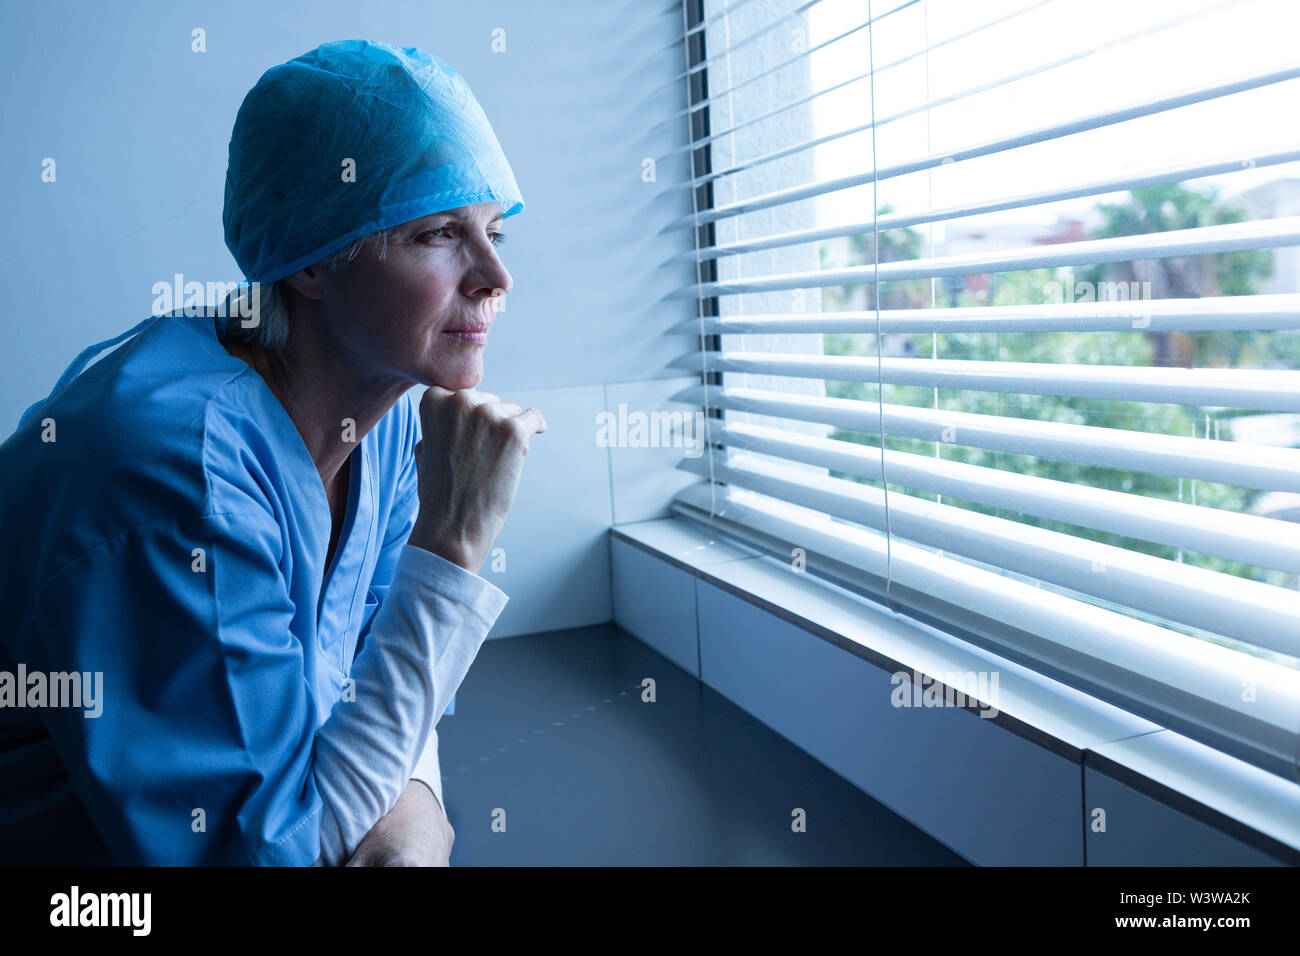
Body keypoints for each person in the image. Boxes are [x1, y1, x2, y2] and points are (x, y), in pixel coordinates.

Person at [0, 40, 544, 866]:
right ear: (316, 261)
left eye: (495, 230)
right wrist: (455, 547)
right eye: (440, 232)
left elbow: (381, 677)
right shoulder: (170, 478)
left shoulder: (387, 415)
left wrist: (417, 808)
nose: (495, 274)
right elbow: (265, 856)